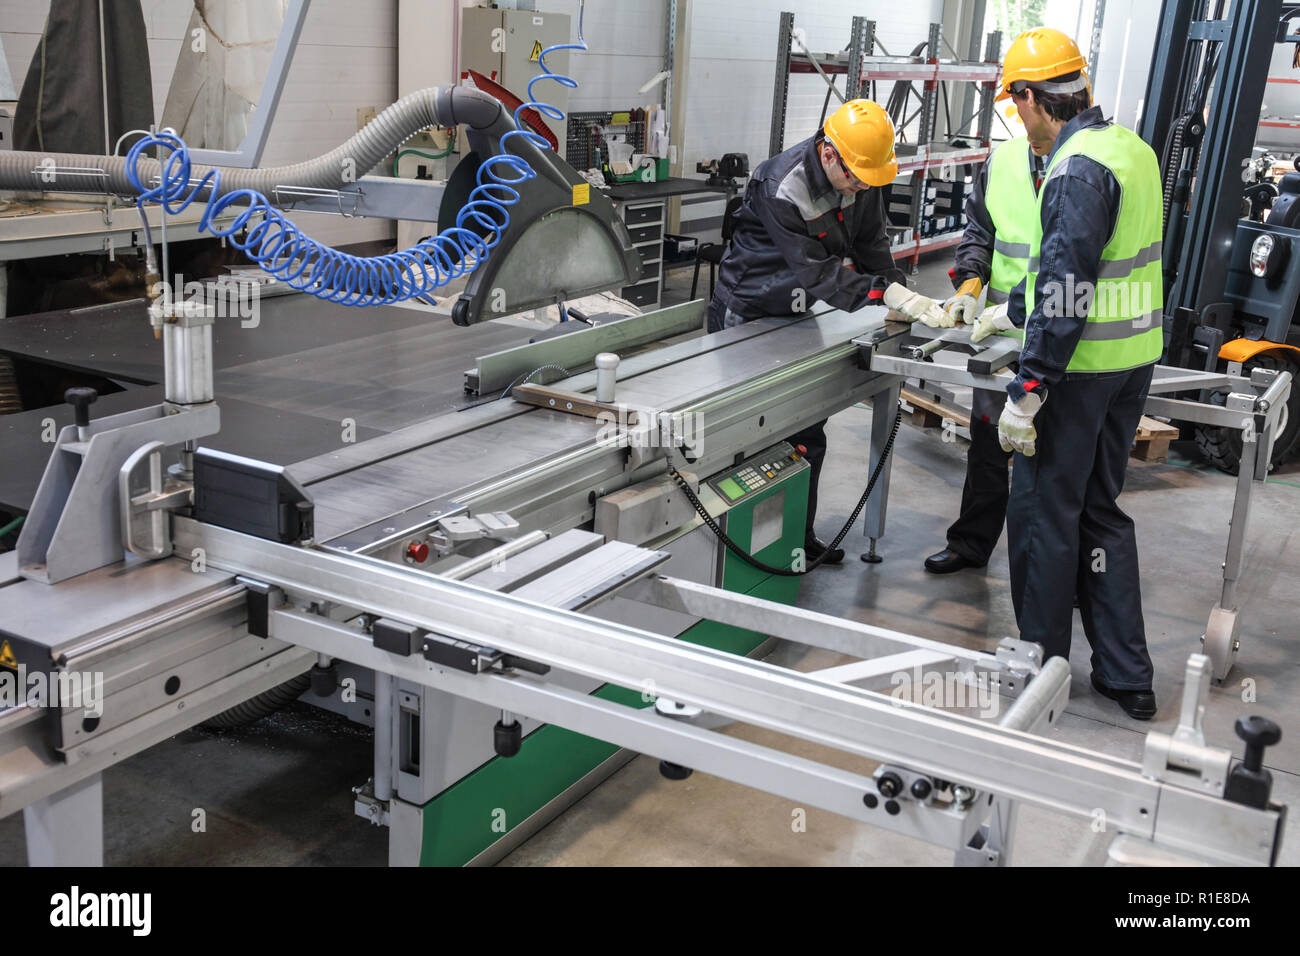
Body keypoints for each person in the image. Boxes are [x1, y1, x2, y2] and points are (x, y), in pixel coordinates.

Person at [992, 28, 1165, 719]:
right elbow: (1105, 263)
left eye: (1017, 104)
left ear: (1034, 98)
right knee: (1100, 512)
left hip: (1077, 373)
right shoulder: (1133, 150)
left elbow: (1067, 286)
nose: (1020, 119)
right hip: (1130, 364)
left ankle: (1041, 673)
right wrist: (1012, 308)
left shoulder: (1074, 169)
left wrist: (1028, 388)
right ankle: (1127, 675)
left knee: (1043, 516)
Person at [707, 98, 948, 564]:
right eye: (855, 178)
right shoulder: (784, 185)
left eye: (869, 181)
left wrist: (899, 295)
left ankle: (796, 539)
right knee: (746, 436)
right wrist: (883, 296)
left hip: (799, 312)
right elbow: (818, 272)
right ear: (829, 153)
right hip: (750, 309)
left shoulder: (863, 173)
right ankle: (736, 551)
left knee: (807, 430)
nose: (860, 188)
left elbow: (871, 245)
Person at [923, 133, 1043, 575]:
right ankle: (971, 543)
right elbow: (979, 232)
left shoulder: (1081, 163)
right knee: (990, 441)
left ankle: (1057, 568)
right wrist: (970, 284)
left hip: (1065, 332)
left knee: (1053, 456)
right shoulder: (1005, 160)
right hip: (1001, 332)